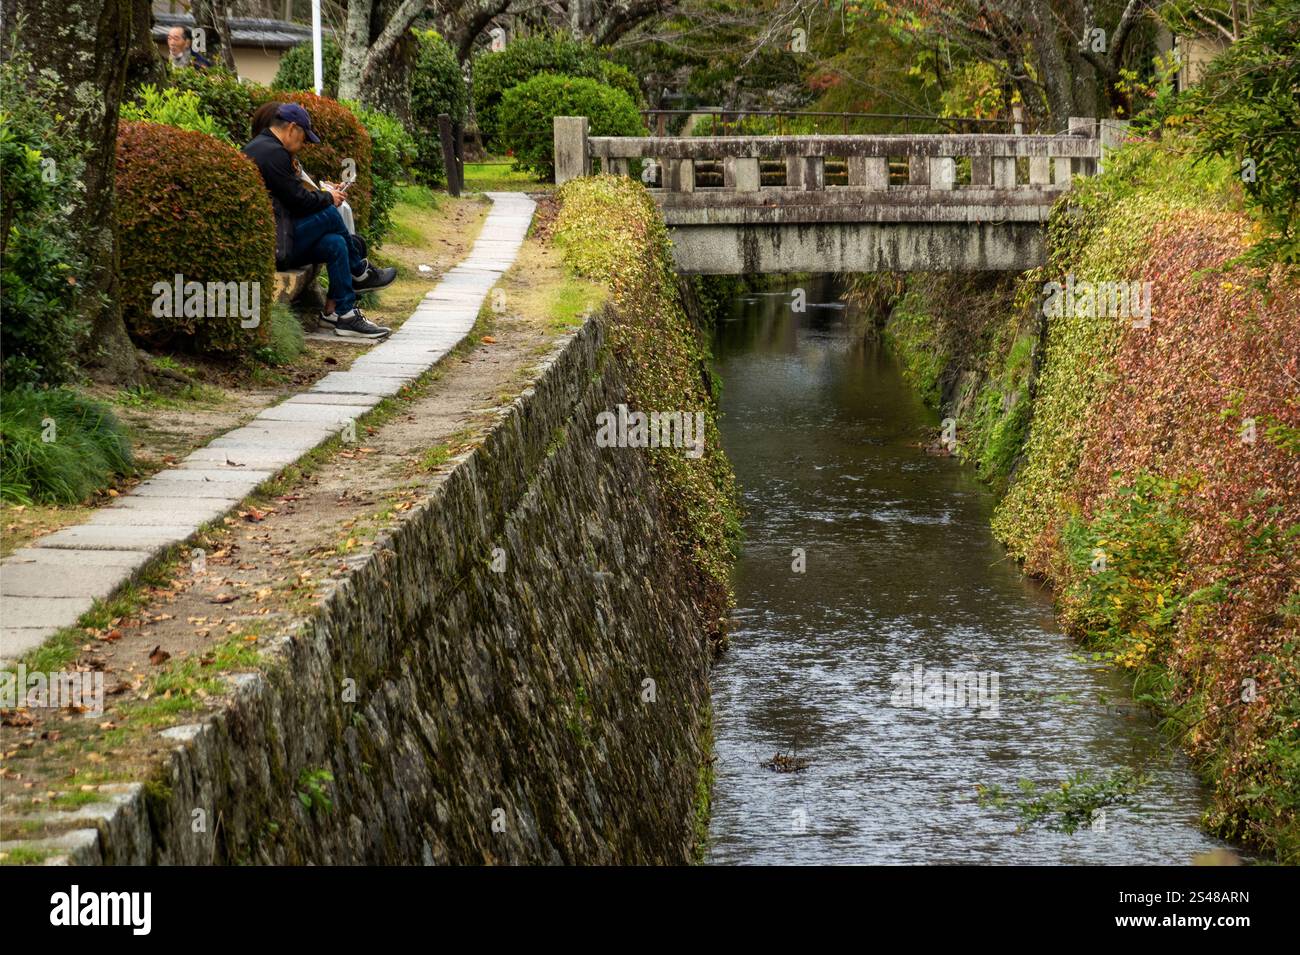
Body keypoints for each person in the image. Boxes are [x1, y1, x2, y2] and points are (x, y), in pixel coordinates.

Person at [242, 103, 396, 339]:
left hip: (282, 237)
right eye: (303, 138)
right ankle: (360, 271)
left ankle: (342, 314)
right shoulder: (273, 153)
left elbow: (292, 196)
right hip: (276, 245)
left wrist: (323, 194)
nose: (302, 145)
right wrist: (327, 197)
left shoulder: (264, 147)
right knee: (331, 214)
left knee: (335, 243)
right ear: (292, 128)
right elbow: (298, 201)